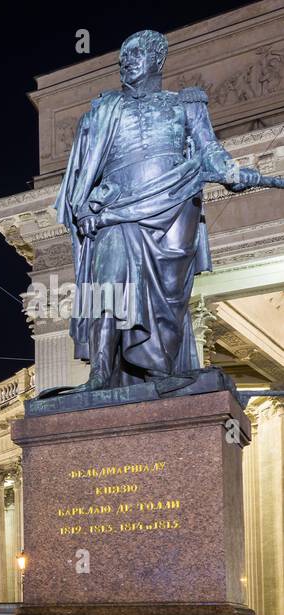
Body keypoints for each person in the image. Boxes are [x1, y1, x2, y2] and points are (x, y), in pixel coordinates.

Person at [56, 29, 265, 391]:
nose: (126, 62)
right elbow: (81, 172)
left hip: (171, 210)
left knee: (169, 296)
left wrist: (235, 172)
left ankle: (159, 368)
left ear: (157, 58)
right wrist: (83, 208)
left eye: (135, 54)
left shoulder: (185, 104)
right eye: (123, 57)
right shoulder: (103, 109)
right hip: (115, 211)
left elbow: (210, 153)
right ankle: (100, 374)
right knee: (108, 286)